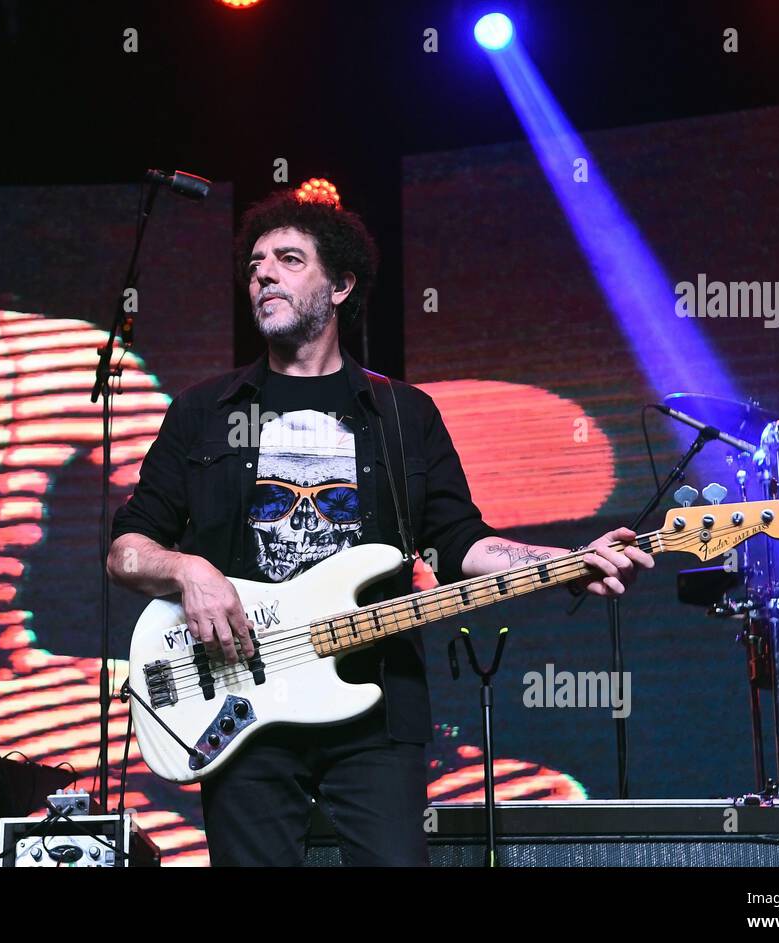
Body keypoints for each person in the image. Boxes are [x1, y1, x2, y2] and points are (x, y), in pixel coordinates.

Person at [107, 190, 655, 866]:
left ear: (340, 285)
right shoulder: (203, 413)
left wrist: (571, 559)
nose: (264, 275)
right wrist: (188, 570)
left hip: (376, 712)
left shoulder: (402, 414)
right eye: (254, 264)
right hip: (240, 707)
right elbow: (127, 554)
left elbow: (460, 544)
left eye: (287, 260)